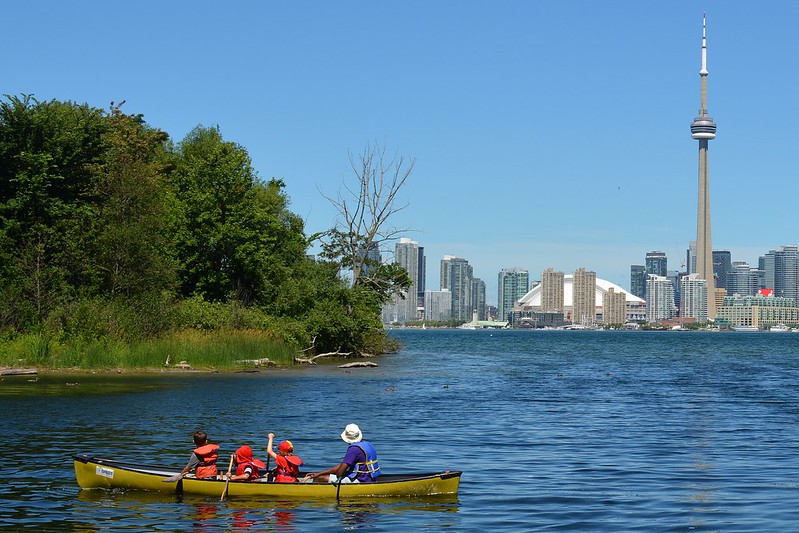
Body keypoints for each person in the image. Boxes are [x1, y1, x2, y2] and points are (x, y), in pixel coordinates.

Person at [302, 423, 380, 484]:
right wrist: (318, 473)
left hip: (361, 481)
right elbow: (343, 466)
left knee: (321, 478)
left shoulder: (353, 449)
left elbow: (340, 472)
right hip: (371, 478)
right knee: (320, 476)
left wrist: (319, 476)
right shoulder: (367, 444)